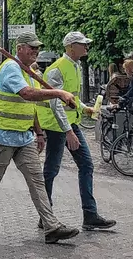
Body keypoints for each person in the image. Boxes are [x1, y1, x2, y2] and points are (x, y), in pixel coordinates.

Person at [0, 33, 80, 244]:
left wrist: (38, 132)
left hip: (23, 136)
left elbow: (31, 106)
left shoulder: (28, 72)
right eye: (31, 47)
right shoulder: (11, 68)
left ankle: (51, 225)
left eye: (37, 48)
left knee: (37, 179)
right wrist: (58, 93)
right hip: (2, 134)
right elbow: (27, 94)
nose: (35, 51)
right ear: (19, 48)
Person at [38, 32, 117, 232]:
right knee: (51, 170)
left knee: (85, 166)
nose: (86, 48)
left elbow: (71, 98)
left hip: (68, 124)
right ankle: (46, 215)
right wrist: (69, 132)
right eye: (83, 44)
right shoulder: (57, 70)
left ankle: (89, 215)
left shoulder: (75, 66)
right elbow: (56, 104)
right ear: (71, 46)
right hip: (57, 126)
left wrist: (84, 109)